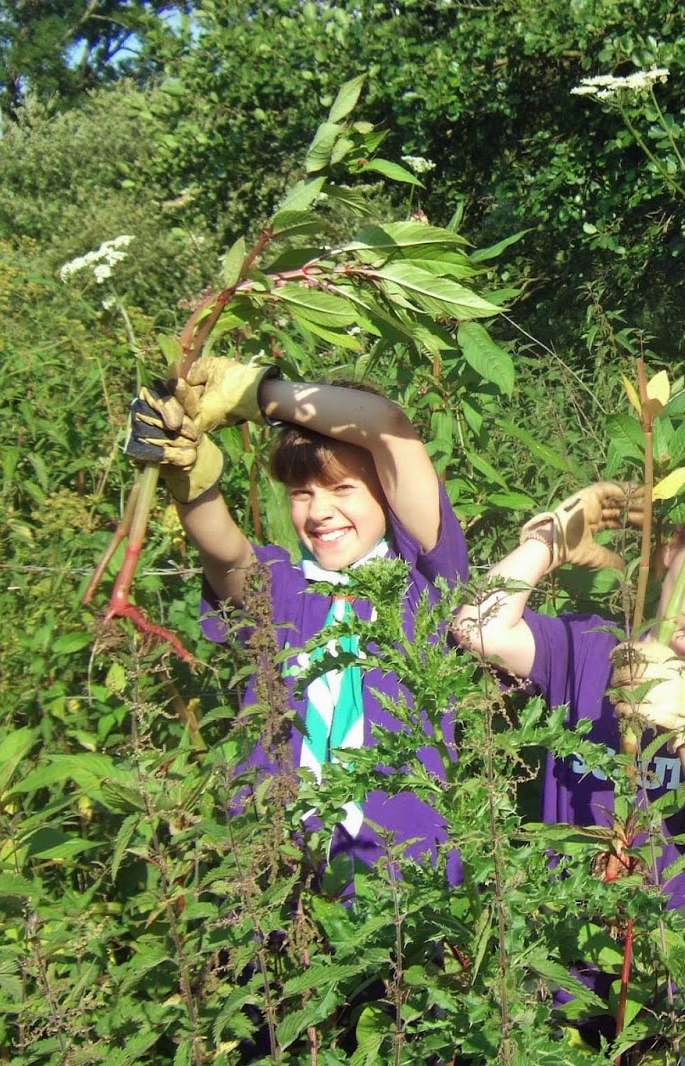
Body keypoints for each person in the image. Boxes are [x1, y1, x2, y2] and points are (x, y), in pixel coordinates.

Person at [125, 358, 469, 888]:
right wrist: (187, 471)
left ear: (388, 493)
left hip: (407, 881)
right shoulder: (286, 593)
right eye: (302, 493)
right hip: (281, 882)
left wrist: (256, 393)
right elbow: (224, 554)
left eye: (343, 489)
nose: (319, 512)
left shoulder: (425, 581)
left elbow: (389, 428)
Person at [451, 483, 685, 908]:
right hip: (564, 931)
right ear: (671, 550)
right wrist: (548, 541)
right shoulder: (590, 644)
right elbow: (478, 631)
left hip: (668, 947)